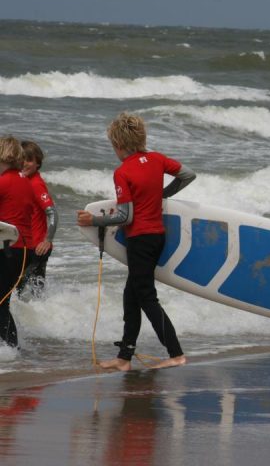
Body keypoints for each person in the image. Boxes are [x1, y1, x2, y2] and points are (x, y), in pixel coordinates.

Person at [77, 113, 196, 370]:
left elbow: (125, 215)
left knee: (146, 297)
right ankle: (124, 358)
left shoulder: (123, 172)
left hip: (140, 240)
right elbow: (188, 174)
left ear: (118, 145)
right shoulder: (157, 159)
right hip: (156, 237)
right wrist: (160, 195)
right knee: (131, 296)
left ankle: (176, 353)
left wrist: (93, 221)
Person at [0, 136, 36, 348]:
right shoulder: (24, 181)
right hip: (20, 249)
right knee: (3, 302)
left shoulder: (5, 181)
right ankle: (11, 349)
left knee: (1, 303)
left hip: (10, 249)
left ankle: (12, 351)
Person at [17, 140, 59, 298]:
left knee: (21, 291)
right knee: (32, 293)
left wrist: (47, 240)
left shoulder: (36, 184)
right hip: (27, 247)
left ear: (38, 163)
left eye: (29, 160)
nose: (24, 163)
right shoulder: (24, 181)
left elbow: (53, 213)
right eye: (21, 159)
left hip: (38, 249)